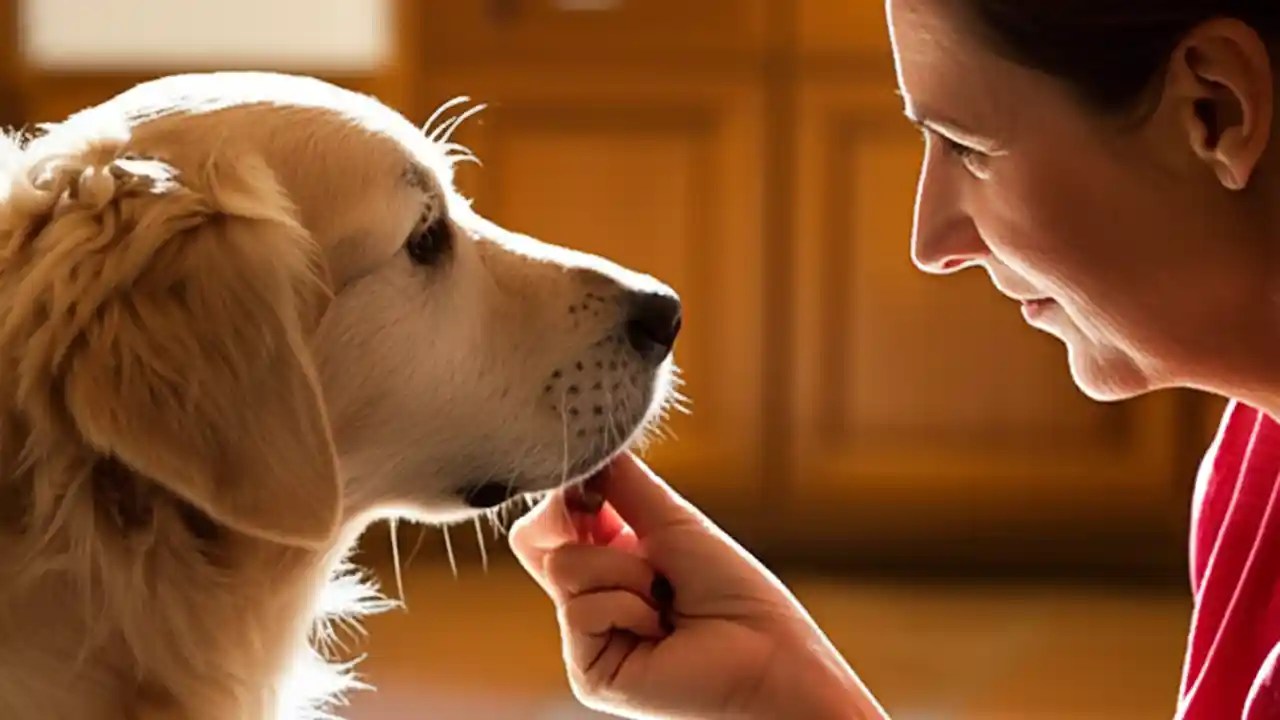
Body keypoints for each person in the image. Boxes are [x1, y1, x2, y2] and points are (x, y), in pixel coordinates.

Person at [509, 1, 1280, 718]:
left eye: (969, 148)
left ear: (1216, 111)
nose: (930, 243)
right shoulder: (1254, 455)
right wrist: (776, 682)